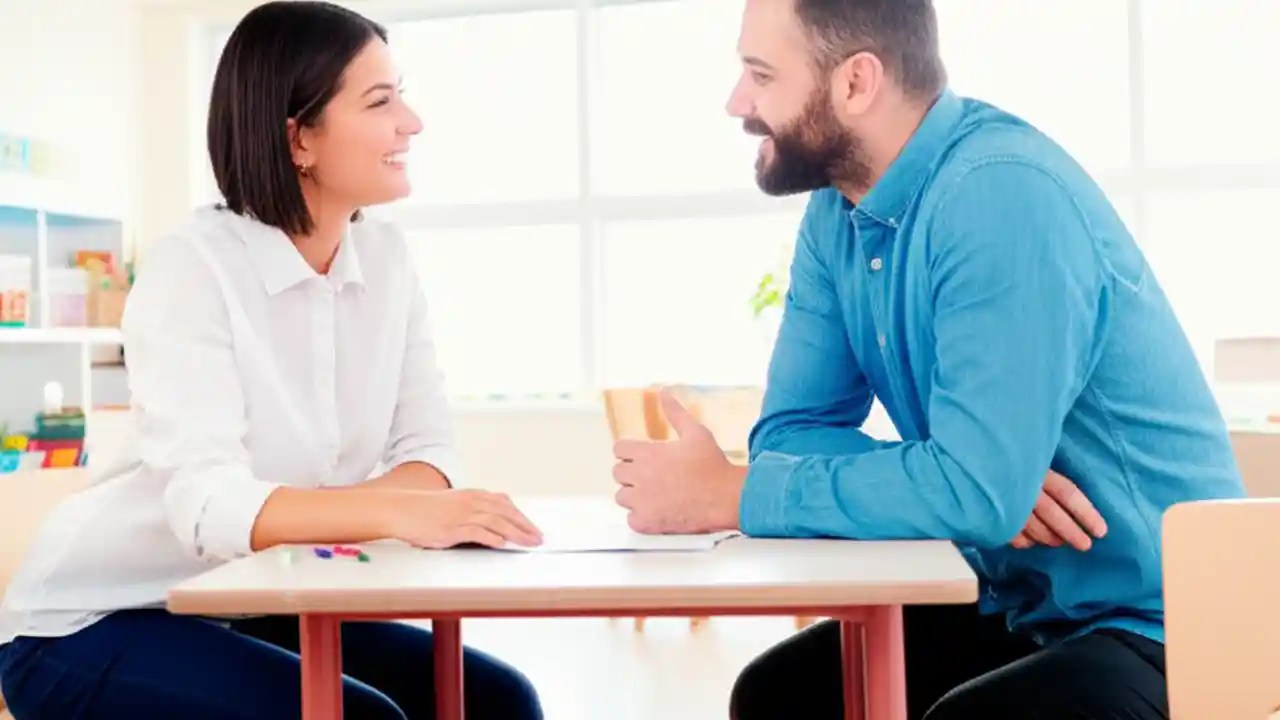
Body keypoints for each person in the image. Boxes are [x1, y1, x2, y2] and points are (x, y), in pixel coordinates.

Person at [611, 0, 1247, 718]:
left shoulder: (1000, 194)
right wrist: (961, 477)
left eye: (761, 74)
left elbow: (975, 491)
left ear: (856, 84)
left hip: (1167, 631)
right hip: (1022, 603)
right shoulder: (837, 218)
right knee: (783, 697)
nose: (738, 102)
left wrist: (736, 494)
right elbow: (789, 435)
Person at [0, 3, 545, 718]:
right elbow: (208, 505)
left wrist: (413, 508)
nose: (411, 122)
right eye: (381, 101)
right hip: (95, 620)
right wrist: (402, 511)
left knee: (496, 701)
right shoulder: (191, 270)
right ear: (299, 140)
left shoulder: (386, 261)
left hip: (250, 598)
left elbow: (429, 450)